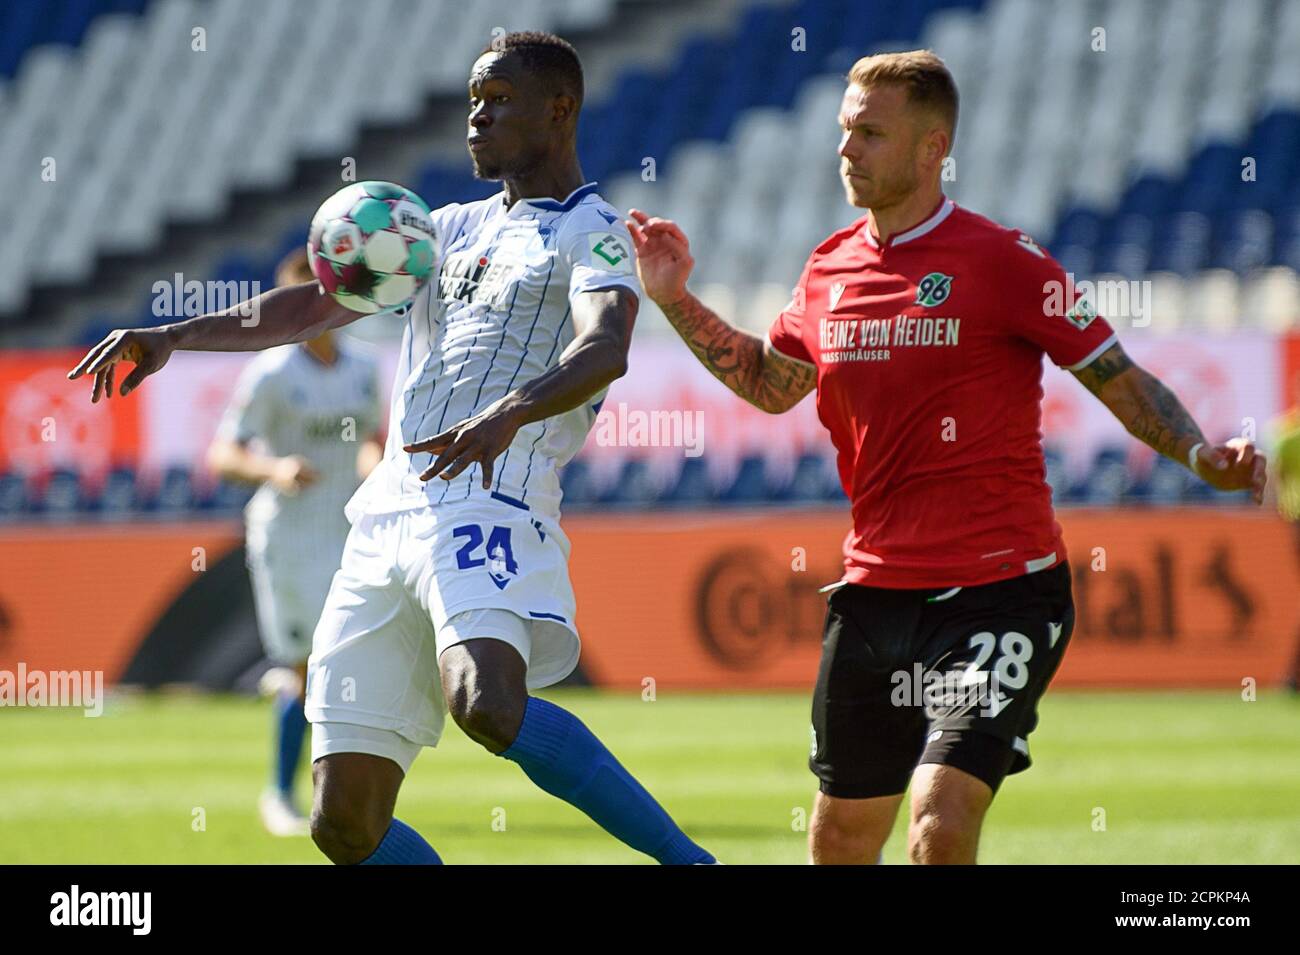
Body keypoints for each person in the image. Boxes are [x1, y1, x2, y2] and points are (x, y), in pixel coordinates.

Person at [69, 31, 714, 865]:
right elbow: (309, 311)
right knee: (343, 822)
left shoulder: (592, 232)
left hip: (493, 494)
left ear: (560, 110)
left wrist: (505, 417)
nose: (477, 119)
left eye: (499, 101)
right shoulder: (438, 228)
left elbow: (606, 347)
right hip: (383, 516)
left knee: (487, 701)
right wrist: (172, 335)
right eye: (474, 103)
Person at [626, 49, 1266, 864]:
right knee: (840, 838)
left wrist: (1199, 452)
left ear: (933, 150)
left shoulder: (1002, 261)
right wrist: (676, 299)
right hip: (875, 594)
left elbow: (1116, 375)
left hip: (998, 591)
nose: (846, 150)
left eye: (869, 133)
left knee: (940, 817)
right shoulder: (828, 267)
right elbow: (770, 383)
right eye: (844, 131)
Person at [207, 248, 384, 836]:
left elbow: (370, 437)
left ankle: (342, 795)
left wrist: (373, 463)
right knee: (310, 669)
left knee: (344, 667)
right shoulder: (272, 373)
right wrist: (274, 468)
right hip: (289, 534)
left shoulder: (363, 367)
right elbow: (223, 454)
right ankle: (280, 796)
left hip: (348, 526)